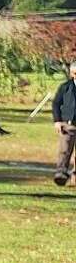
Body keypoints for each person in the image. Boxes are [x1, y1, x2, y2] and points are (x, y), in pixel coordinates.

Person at [52, 59, 76, 188]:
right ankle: (61, 173)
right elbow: (56, 103)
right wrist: (57, 121)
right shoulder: (65, 87)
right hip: (68, 125)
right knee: (65, 150)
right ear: (72, 74)